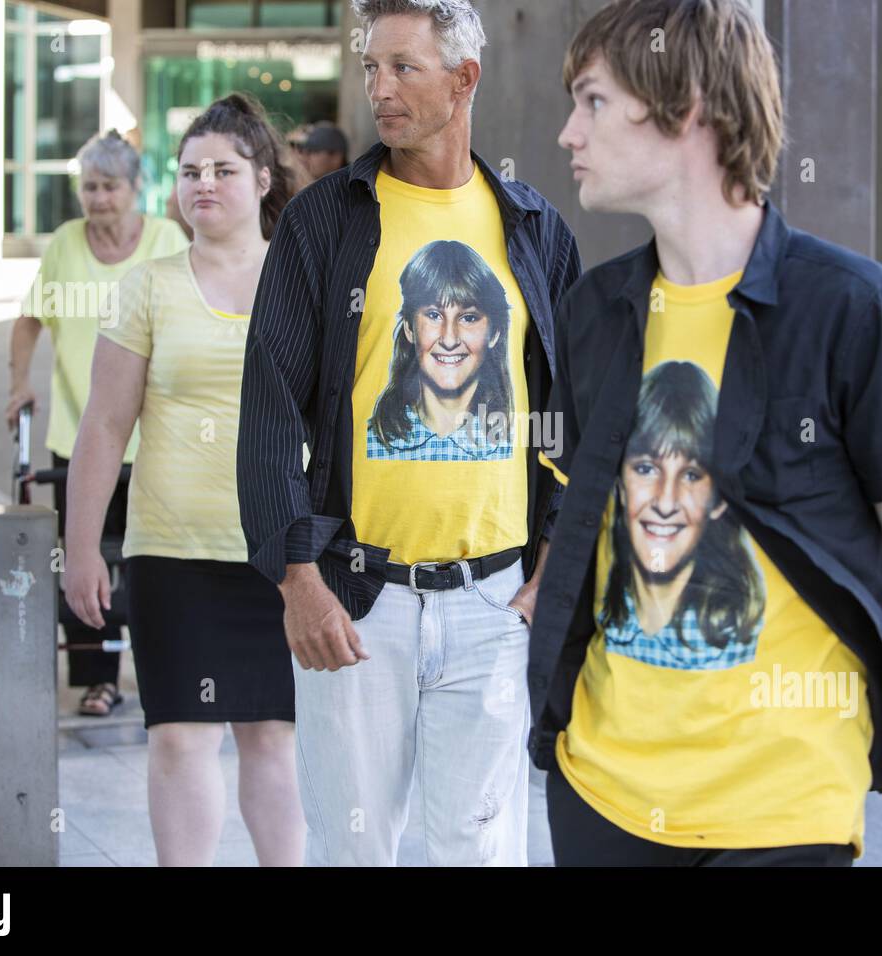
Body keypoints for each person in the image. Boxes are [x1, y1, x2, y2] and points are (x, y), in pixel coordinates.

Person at [533, 0, 882, 866]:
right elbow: (578, 519)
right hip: (599, 797)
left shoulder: (855, 311)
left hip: (785, 815)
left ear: (686, 102)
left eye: (591, 101)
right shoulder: (593, 312)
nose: (566, 134)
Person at [236, 0, 580, 866]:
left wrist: (551, 569)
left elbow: (579, 413)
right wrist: (298, 583)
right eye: (370, 68)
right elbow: (270, 408)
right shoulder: (323, 222)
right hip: (358, 600)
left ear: (464, 79)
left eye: (402, 68)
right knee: (354, 850)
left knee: (479, 849)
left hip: (496, 603)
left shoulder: (534, 230)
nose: (378, 89)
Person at [64, 93, 305, 866]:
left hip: (280, 556)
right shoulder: (149, 286)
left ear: (263, 179)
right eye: (190, 171)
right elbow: (104, 425)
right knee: (180, 737)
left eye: (223, 170)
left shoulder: (304, 282)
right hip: (172, 551)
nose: (203, 183)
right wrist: (80, 549)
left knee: (273, 737)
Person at [5, 130, 188, 718]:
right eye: (89, 186)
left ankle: (166, 671)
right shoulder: (64, 244)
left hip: (157, 440)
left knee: (153, 563)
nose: (99, 198)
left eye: (110, 186)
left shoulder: (164, 239)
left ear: (136, 188)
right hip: (80, 438)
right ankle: (96, 678)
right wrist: (19, 382)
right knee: (81, 560)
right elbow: (30, 320)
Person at [602, 360, 765, 670]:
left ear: (719, 499)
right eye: (646, 469)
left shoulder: (737, 637)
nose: (665, 502)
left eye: (691, 474)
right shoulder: (603, 610)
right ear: (620, 483)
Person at [367, 239, 515, 460]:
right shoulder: (374, 441)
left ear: (494, 333)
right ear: (409, 327)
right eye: (434, 315)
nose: (449, 339)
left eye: (468, 317)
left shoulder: (513, 444)